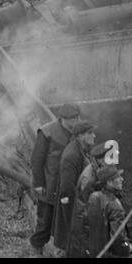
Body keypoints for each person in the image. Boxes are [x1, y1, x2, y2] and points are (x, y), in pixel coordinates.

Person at [28, 102, 81, 255]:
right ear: (61, 119)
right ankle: (36, 247)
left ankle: (63, 250)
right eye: (71, 119)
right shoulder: (46, 133)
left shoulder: (78, 133)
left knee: (66, 223)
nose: (74, 123)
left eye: (76, 118)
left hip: (68, 187)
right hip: (49, 187)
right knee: (45, 223)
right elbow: (37, 161)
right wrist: (38, 184)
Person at [53, 120, 97, 254]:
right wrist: (75, 211)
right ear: (79, 136)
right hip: (74, 205)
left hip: (81, 202)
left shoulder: (82, 150)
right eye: (90, 133)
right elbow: (66, 188)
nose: (94, 136)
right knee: (73, 241)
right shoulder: (71, 156)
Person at [65, 140, 110, 258]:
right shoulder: (89, 178)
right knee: (83, 250)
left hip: (88, 219)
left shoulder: (96, 170)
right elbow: (86, 205)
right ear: (100, 159)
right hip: (84, 221)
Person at [86, 168, 132, 258]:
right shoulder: (114, 205)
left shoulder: (94, 197)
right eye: (118, 177)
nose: (122, 179)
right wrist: (129, 248)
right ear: (109, 182)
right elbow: (118, 240)